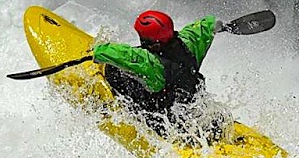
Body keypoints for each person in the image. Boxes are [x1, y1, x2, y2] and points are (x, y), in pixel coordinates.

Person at [90, 9, 224, 138]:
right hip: (190, 107)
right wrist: (223, 26)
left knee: (114, 69)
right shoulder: (189, 42)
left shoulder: (150, 63)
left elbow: (110, 53)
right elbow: (209, 24)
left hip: (165, 125)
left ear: (152, 44)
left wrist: (95, 52)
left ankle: (111, 104)